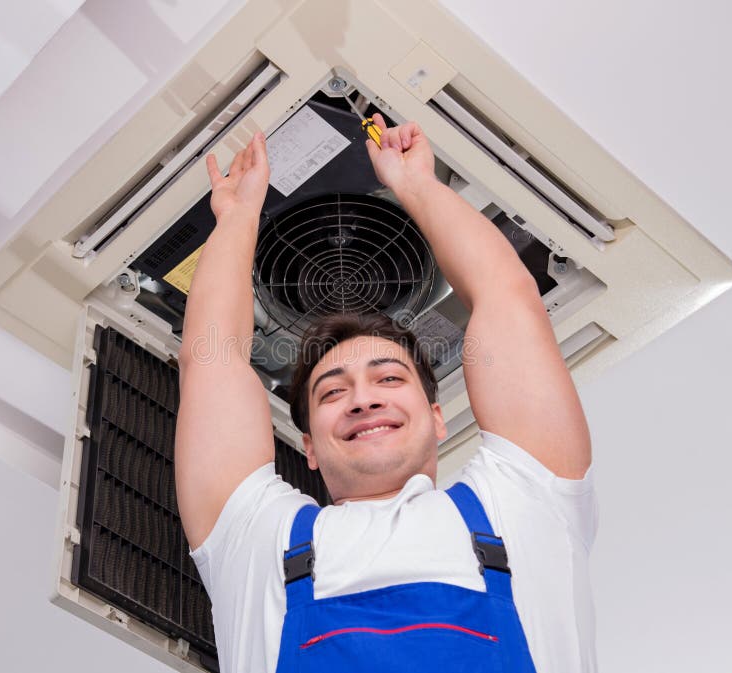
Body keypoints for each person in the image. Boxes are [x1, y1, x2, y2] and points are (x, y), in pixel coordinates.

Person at [175, 114, 597, 673]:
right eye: (332, 392)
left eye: (389, 379)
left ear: (439, 418)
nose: (363, 398)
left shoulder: (524, 500)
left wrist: (418, 184)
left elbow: (507, 294)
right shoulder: (256, 539)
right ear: (309, 448)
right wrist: (238, 217)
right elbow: (212, 359)